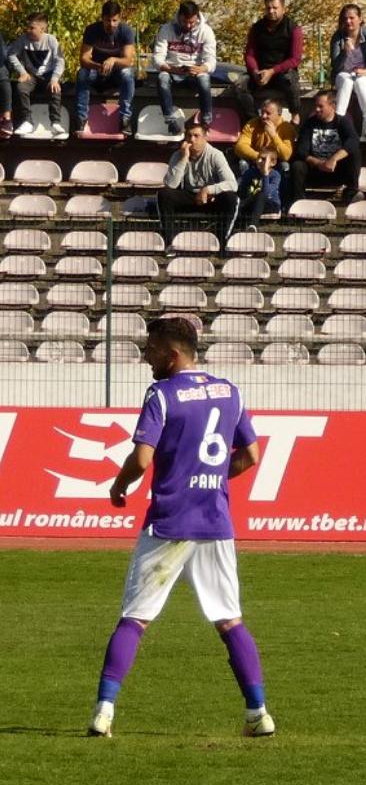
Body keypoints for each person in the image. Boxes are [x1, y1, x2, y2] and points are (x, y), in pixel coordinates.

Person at [88, 316, 274, 741]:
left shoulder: (162, 393)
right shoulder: (230, 391)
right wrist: (207, 478)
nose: (145, 355)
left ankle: (103, 711)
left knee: (134, 618)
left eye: (151, 349)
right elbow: (250, 455)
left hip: (169, 522)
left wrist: (118, 486)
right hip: (215, 522)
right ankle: (259, 712)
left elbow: (140, 460)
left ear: (172, 356)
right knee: (229, 620)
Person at [157, 120, 239, 248]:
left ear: (205, 136)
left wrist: (208, 190)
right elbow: (171, 185)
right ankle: (170, 241)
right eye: (189, 136)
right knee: (164, 194)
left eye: (196, 136)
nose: (192, 140)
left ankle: (223, 241)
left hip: (210, 199)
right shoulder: (178, 155)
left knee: (231, 198)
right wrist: (184, 158)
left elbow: (232, 184)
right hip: (189, 196)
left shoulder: (216, 155)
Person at [234, 0, 302, 124]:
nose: (271, 11)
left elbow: (295, 59)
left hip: (282, 72)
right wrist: (255, 72)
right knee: (239, 86)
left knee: (291, 81)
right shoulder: (256, 28)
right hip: (260, 73)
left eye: (275, 8)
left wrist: (272, 71)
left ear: (283, 9)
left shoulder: (293, 29)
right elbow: (249, 54)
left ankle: (295, 115)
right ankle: (254, 121)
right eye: (268, 8)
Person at [288, 88, 361, 206]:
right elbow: (302, 151)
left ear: (332, 106)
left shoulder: (342, 122)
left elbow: (353, 141)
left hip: (336, 169)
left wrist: (333, 159)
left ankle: (351, 194)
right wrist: (319, 163)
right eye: (315, 106)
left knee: (354, 153)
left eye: (320, 106)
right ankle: (298, 202)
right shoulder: (309, 124)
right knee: (297, 165)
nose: (317, 109)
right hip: (316, 170)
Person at [74, 0, 136, 136]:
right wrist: (98, 66)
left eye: (115, 21)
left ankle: (125, 118)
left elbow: (128, 60)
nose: (111, 24)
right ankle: (81, 117)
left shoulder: (126, 31)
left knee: (128, 74)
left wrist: (113, 60)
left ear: (120, 18)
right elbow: (84, 59)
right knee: (82, 73)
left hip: (116, 72)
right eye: (108, 21)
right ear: (102, 18)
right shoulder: (92, 30)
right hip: (96, 71)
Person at [153, 0, 216, 135]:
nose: (188, 25)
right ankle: (171, 122)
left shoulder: (206, 31)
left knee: (204, 79)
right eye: (184, 22)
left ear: (197, 17)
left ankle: (206, 121)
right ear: (179, 17)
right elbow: (157, 58)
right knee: (162, 78)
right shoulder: (166, 29)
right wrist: (171, 69)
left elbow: (211, 61)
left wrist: (201, 68)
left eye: (191, 22)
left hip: (195, 72)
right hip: (172, 70)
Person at [7, 12, 66, 138]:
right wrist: (22, 71)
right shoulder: (23, 39)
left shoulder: (51, 40)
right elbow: (11, 54)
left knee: (55, 90)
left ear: (42, 29)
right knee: (21, 88)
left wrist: (55, 78)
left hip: (48, 75)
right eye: (27, 27)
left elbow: (60, 60)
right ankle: (27, 121)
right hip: (31, 75)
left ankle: (55, 122)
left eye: (32, 28)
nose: (28, 30)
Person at [330, 3, 366, 137]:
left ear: (360, 19)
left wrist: (364, 72)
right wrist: (344, 52)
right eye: (345, 18)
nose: (348, 21)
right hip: (343, 73)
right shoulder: (338, 37)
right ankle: (338, 125)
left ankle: (365, 130)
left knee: (361, 82)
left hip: (363, 74)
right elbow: (336, 66)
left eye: (352, 18)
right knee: (347, 82)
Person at [234, 96, 295, 170]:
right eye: (262, 112)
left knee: (285, 165)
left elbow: (286, 156)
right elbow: (239, 147)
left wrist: (274, 136)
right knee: (242, 163)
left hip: (275, 162)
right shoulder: (252, 124)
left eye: (268, 113)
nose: (263, 116)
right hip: (256, 160)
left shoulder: (286, 127)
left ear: (279, 114)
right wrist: (260, 157)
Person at [237, 149, 282, 226]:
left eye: (264, 159)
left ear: (273, 163)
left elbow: (266, 193)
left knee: (261, 195)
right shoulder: (250, 172)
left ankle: (253, 225)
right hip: (252, 202)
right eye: (259, 158)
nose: (260, 161)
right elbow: (242, 190)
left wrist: (265, 174)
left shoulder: (275, 175)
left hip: (271, 204)